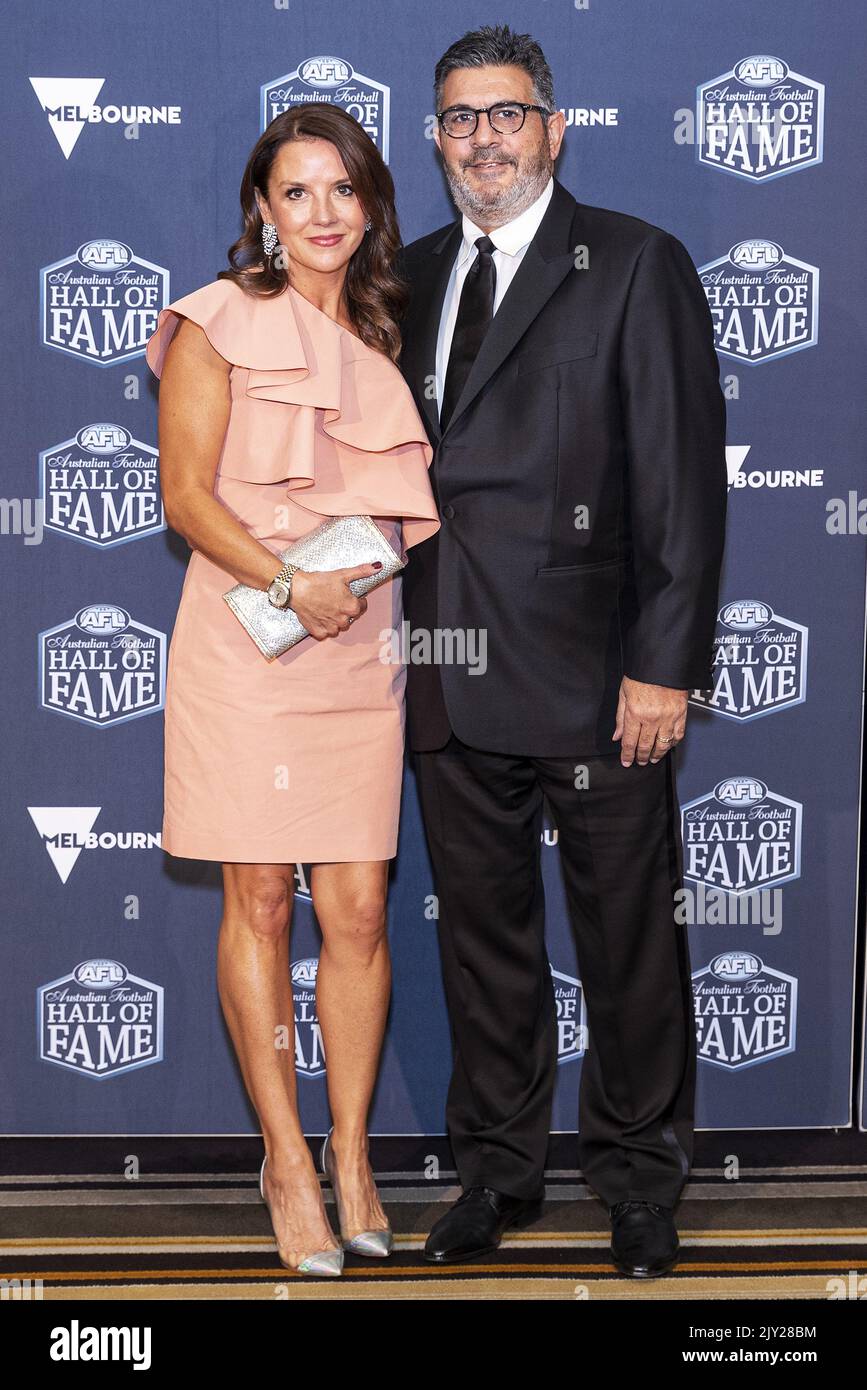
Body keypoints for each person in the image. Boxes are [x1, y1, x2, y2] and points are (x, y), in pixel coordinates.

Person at [397, 24, 728, 1277]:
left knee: (629, 940)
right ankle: (498, 1173)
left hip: (600, 679)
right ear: (435, 141)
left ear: (555, 127)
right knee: (483, 947)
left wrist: (665, 663)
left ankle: (641, 1182)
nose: (484, 136)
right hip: (445, 667)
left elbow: (685, 485)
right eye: (461, 117)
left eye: (507, 113)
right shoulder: (413, 272)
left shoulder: (637, 264)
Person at [145, 105, 439, 1277]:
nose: (321, 214)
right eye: (296, 192)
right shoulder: (217, 323)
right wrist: (287, 579)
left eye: (342, 190)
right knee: (261, 901)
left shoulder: (389, 330)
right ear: (260, 209)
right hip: (244, 637)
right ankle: (285, 1160)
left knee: (360, 911)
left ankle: (355, 1152)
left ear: (369, 205)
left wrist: (331, 595)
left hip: (358, 651)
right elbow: (186, 496)